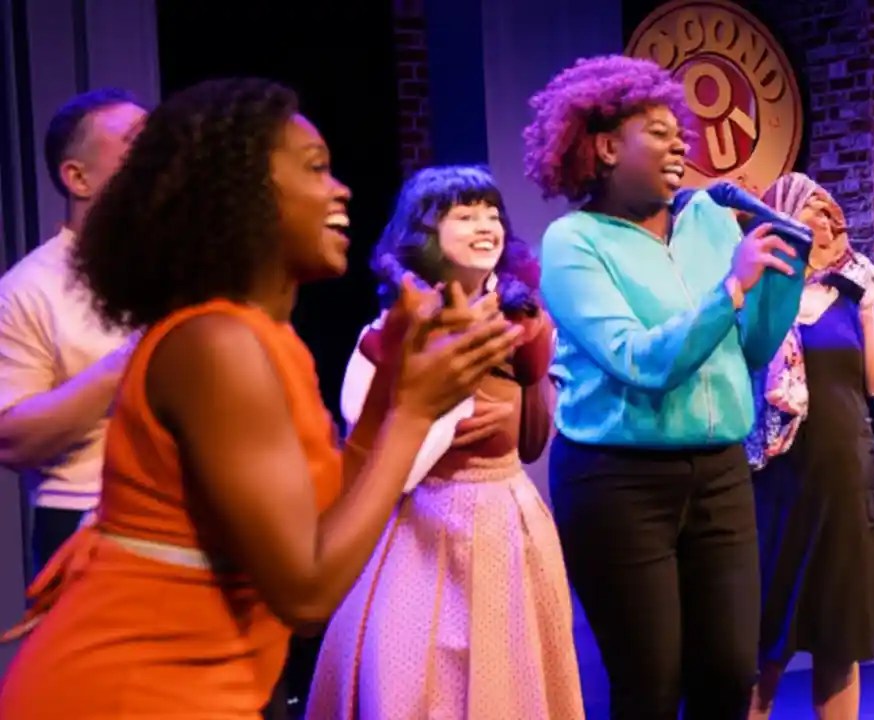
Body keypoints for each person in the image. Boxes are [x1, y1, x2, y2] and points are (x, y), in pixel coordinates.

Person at [0, 77, 523, 718]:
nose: (341, 189)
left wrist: (391, 391)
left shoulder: (259, 338)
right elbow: (305, 598)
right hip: (129, 690)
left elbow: (321, 522)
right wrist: (415, 414)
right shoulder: (218, 344)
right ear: (239, 197)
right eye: (315, 170)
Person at [524, 54, 806, 719]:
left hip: (719, 475)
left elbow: (753, 348)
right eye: (657, 129)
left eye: (678, 130)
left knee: (729, 672)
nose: (681, 141)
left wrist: (782, 272)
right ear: (601, 146)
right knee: (650, 682)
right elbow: (639, 360)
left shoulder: (709, 219)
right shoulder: (574, 242)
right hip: (618, 482)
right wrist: (730, 286)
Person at [306, 165, 583, 720]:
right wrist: (442, 413)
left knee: (511, 681)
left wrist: (531, 378)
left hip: (507, 518)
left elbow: (530, 447)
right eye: (464, 214)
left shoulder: (522, 324)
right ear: (425, 235)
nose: (486, 225)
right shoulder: (386, 337)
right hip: (420, 529)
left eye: (492, 214)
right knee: (418, 683)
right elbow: (378, 467)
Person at [745, 173, 874, 720]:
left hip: (845, 481)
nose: (831, 220)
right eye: (815, 209)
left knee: (840, 640)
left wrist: (866, 311)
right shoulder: (759, 289)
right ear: (783, 218)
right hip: (776, 484)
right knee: (763, 643)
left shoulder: (853, 292)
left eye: (834, 212)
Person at [0, 88, 147, 574]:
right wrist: (123, 364)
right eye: (138, 145)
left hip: (203, 520)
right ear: (78, 177)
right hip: (92, 528)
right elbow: (12, 439)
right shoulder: (29, 288)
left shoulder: (191, 266)